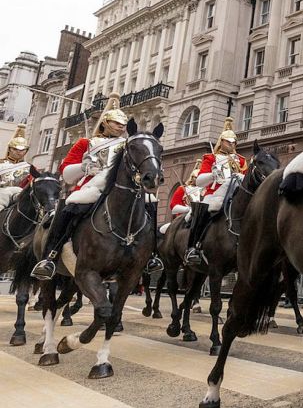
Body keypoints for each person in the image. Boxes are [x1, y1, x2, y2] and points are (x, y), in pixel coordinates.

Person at [31, 93, 165, 280]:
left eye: (122, 124)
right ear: (105, 123)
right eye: (116, 123)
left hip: (122, 185)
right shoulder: (87, 143)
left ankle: (152, 254)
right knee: (70, 204)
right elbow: (66, 173)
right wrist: (83, 166)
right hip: (92, 185)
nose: (121, 127)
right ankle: (51, 256)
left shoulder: (129, 144)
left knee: (151, 200)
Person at [184, 117, 247, 267]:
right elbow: (199, 181)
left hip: (236, 192)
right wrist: (213, 174)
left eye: (233, 142)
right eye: (228, 142)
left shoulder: (241, 160)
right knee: (202, 210)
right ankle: (194, 247)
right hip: (215, 193)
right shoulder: (211, 158)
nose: (231, 145)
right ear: (221, 142)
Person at [0, 124, 32, 210]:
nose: (19, 152)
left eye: (22, 150)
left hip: (20, 196)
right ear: (10, 149)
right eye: (15, 149)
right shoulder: (1, 164)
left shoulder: (30, 168)